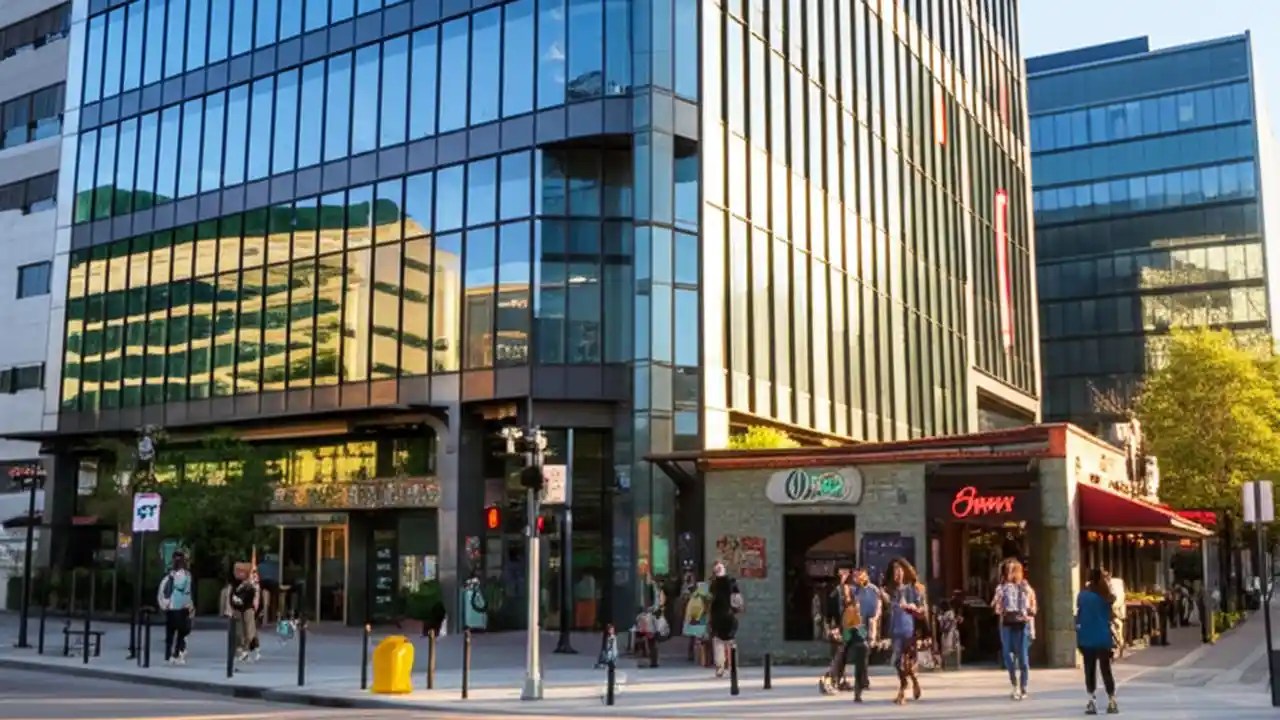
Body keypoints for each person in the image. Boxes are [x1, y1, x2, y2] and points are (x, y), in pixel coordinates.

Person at [1077, 568, 1119, 715]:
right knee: (1106, 670)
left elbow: (1079, 614)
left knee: (1090, 670)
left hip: (1087, 637)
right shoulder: (1106, 596)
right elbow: (1111, 612)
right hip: (1103, 637)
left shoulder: (1082, 596)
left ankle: (1091, 701)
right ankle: (1112, 700)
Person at [885, 558, 927, 705]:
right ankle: (909, 682)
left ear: (905, 572)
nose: (897, 574)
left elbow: (922, 610)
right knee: (897, 662)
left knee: (907, 662)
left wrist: (911, 607)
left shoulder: (912, 589)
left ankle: (904, 689)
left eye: (899, 570)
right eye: (894, 571)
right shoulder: (890, 591)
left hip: (910, 631)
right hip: (895, 631)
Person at [993, 559, 1037, 700]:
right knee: (1007, 654)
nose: (1010, 574)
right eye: (1008, 571)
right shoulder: (1001, 588)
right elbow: (996, 608)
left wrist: (1028, 612)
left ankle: (1023, 686)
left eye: (1013, 571)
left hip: (1022, 624)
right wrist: (1001, 600)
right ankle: (1014, 683)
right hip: (1007, 623)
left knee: (1023, 657)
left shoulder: (1026, 587)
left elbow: (1033, 607)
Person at [820, 568, 857, 695]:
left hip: (847, 627)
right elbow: (827, 610)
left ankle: (840, 681)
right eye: (841, 573)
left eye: (846, 573)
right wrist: (830, 627)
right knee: (837, 655)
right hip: (836, 626)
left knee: (843, 655)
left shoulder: (851, 590)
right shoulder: (832, 590)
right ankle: (828, 679)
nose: (843, 575)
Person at [849, 567, 883, 697]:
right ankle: (862, 681)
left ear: (866, 576)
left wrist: (875, 620)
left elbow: (878, 608)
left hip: (870, 624)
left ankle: (863, 679)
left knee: (865, 652)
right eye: (855, 576)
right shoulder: (854, 590)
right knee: (861, 652)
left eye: (860, 575)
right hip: (859, 625)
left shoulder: (873, 590)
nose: (857, 578)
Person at [157, 551, 194, 664]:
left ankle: (171, 654)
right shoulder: (185, 575)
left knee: (172, 632)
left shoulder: (171, 575)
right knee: (181, 631)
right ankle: (176, 652)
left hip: (173, 606)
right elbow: (186, 589)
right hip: (181, 606)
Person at [708, 560, 742, 678]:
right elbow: (737, 599)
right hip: (728, 615)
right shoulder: (731, 583)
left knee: (719, 642)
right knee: (730, 641)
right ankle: (731, 666)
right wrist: (737, 609)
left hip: (719, 616)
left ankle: (721, 667)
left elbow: (710, 600)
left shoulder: (714, 584)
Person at [231, 565, 260, 662]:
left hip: (247, 608)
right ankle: (240, 649)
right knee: (239, 630)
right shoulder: (236, 584)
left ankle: (249, 648)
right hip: (238, 610)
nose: (237, 573)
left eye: (240, 571)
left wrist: (239, 600)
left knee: (249, 629)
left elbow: (248, 596)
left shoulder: (249, 586)